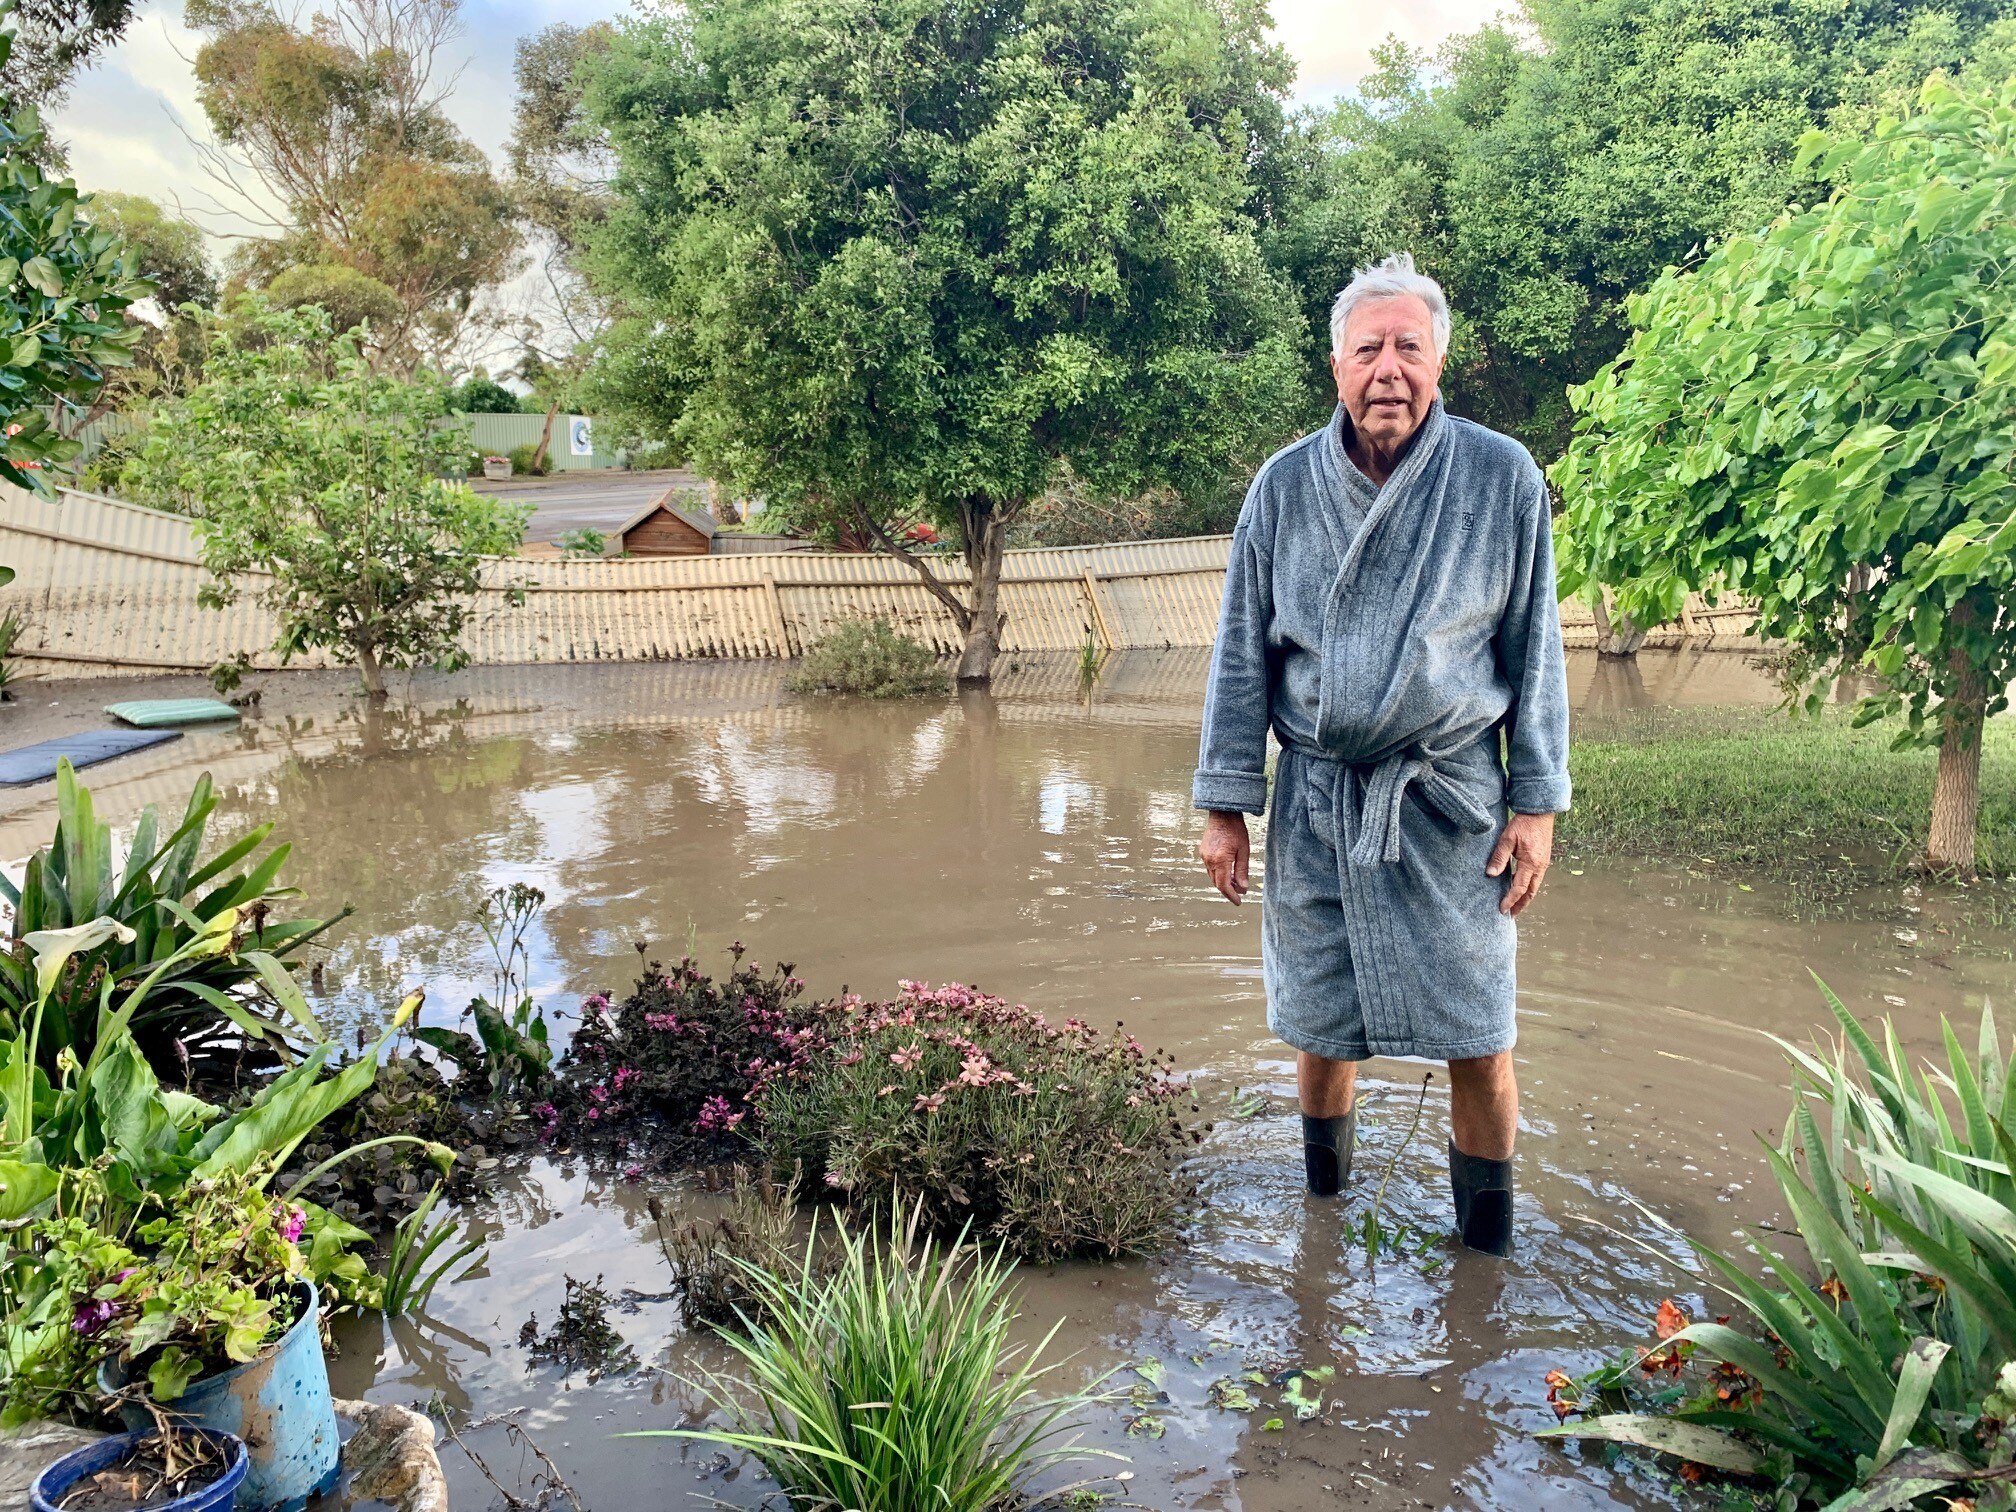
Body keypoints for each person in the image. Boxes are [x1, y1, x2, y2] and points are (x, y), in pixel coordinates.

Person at [1191, 252, 1571, 1256]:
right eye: (1370, 349)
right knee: (1321, 1025)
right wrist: (1225, 802)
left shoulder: (1501, 478)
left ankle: (1484, 1247)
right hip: (1317, 800)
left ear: (1440, 361)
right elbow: (1240, 653)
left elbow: (1535, 649)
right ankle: (1325, 1215)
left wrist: (1536, 804)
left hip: (1451, 807)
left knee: (1481, 1034)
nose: (1388, 369)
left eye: (1410, 346)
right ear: (1337, 366)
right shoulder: (1282, 487)